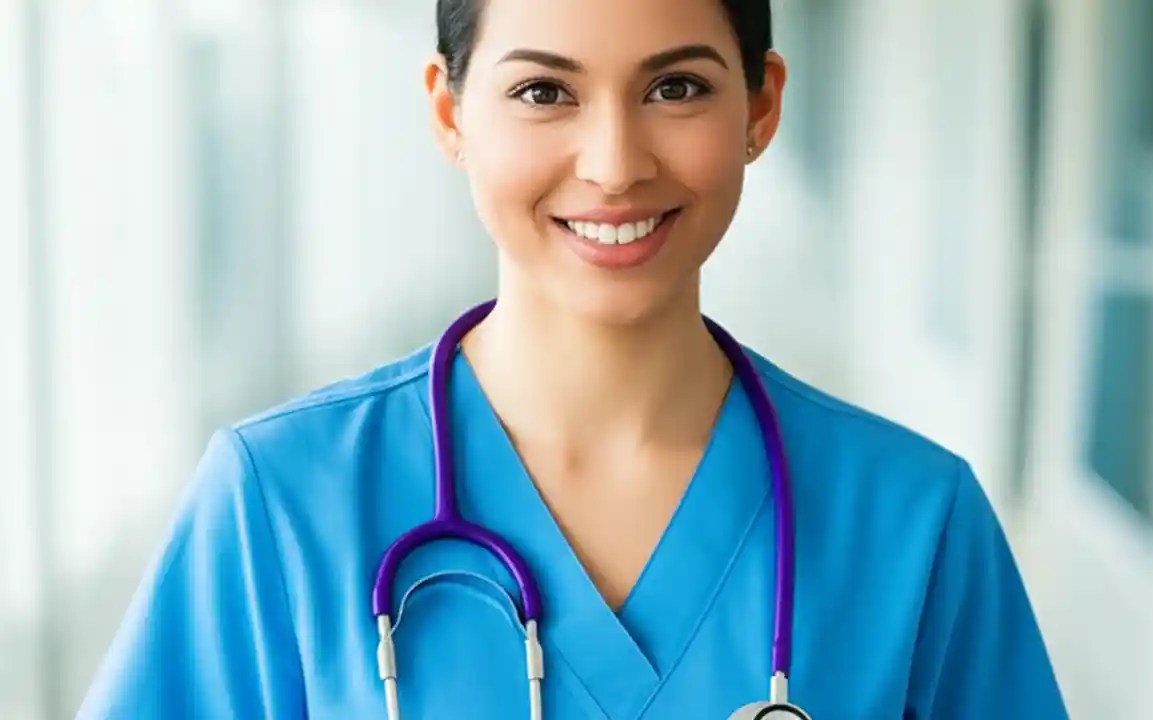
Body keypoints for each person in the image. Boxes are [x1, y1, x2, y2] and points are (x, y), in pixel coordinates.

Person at [78, 0, 1070, 717]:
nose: (613, 162)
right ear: (448, 110)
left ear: (760, 107)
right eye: (544, 90)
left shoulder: (912, 522)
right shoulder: (279, 504)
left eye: (674, 87)